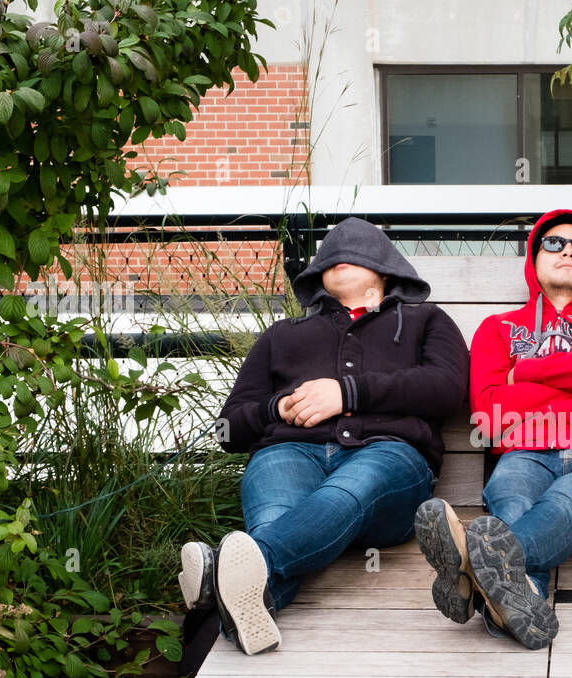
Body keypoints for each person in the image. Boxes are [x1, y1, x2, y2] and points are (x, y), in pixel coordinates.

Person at [176, 217, 470, 654]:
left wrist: (348, 393)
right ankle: (240, 600)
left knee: (347, 490)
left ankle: (221, 575)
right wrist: (276, 407)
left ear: (386, 269)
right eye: (331, 255)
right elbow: (228, 428)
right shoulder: (283, 334)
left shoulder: (426, 321)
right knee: (273, 532)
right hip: (289, 452)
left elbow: (448, 389)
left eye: (357, 252)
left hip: (389, 458)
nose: (341, 257)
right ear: (317, 275)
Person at [414, 210, 572, 649]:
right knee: (513, 499)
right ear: (534, 257)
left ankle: (470, 571)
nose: (568, 251)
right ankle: (524, 598)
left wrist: (524, 374)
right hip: (525, 451)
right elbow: (490, 410)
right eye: (555, 243)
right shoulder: (497, 329)